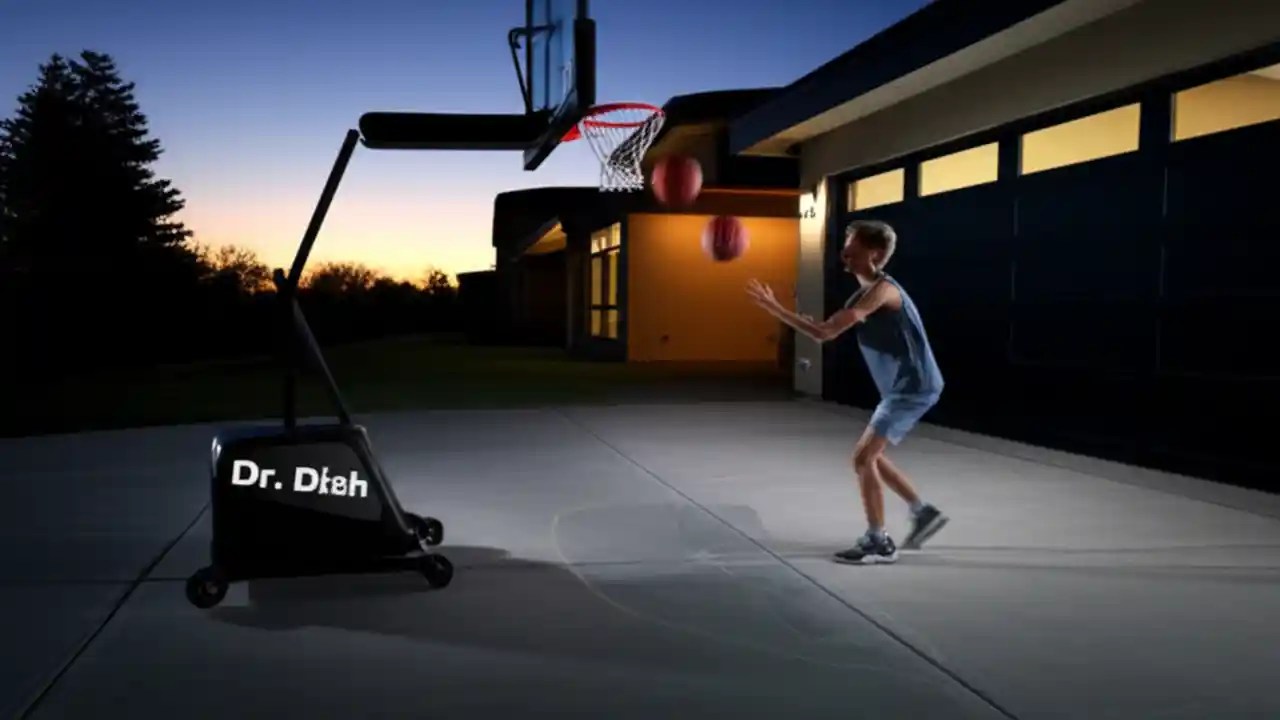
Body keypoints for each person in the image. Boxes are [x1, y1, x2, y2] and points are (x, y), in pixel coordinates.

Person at [745, 219, 947, 564]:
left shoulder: (883, 291)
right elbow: (823, 329)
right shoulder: (864, 293)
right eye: (845, 247)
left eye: (852, 249)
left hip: (914, 387)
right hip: (903, 387)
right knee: (871, 456)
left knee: (863, 459)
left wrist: (776, 308)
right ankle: (922, 511)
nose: (844, 254)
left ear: (875, 254)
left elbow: (824, 333)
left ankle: (878, 541)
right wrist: (781, 311)